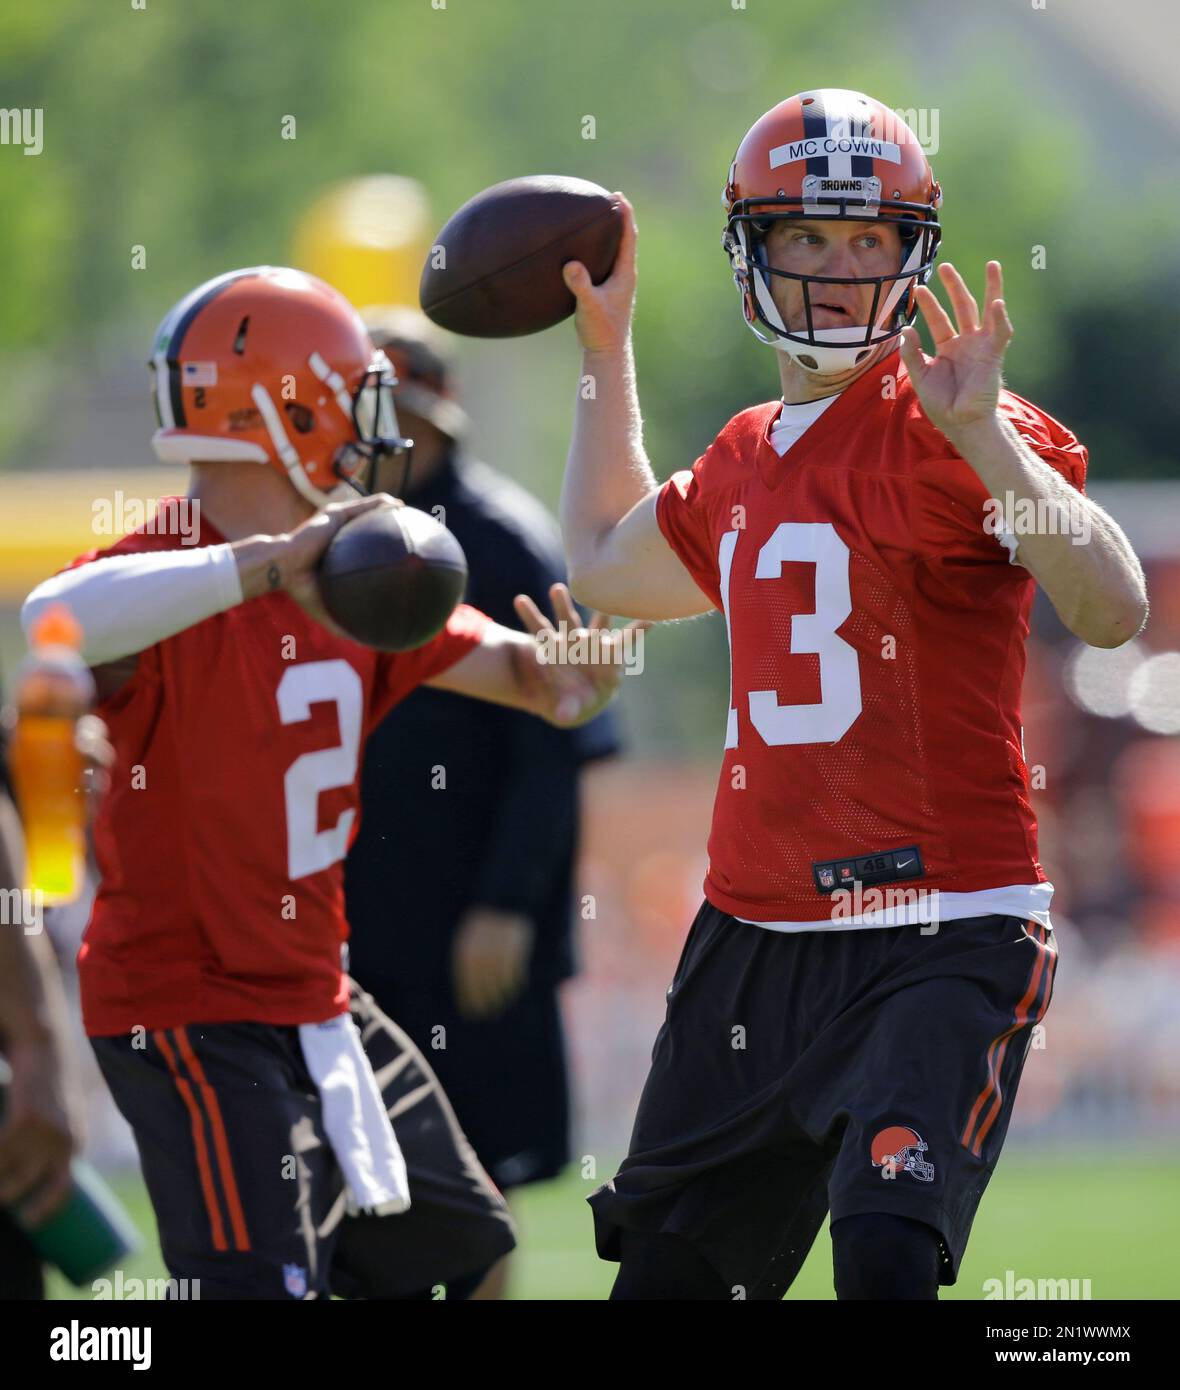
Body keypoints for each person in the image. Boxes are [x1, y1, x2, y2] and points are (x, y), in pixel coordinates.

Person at [556, 89, 1148, 1300]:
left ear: (909, 253)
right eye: (804, 237)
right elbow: (604, 562)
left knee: (885, 1251)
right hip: (751, 940)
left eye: (865, 239)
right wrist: (605, 352)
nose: (834, 270)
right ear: (750, 250)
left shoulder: (957, 426)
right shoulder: (740, 455)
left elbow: (1112, 606)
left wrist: (986, 438)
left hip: (942, 923)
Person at [20, 265, 632, 1300]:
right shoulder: (168, 574)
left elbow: (534, 683)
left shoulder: (361, 571)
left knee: (463, 1249)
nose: (371, 429)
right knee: (257, 1286)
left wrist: (573, 673)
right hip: (191, 1005)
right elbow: (56, 617)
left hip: (316, 993)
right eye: (352, 398)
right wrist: (261, 564)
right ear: (279, 408)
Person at [344, 310, 618, 1295]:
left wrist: (506, 903)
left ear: (444, 423)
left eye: (410, 422)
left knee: (473, 1195)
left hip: (469, 927)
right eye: (378, 421)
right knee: (353, 1197)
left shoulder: (498, 542)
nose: (394, 443)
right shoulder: (327, 547)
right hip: (351, 921)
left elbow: (558, 738)